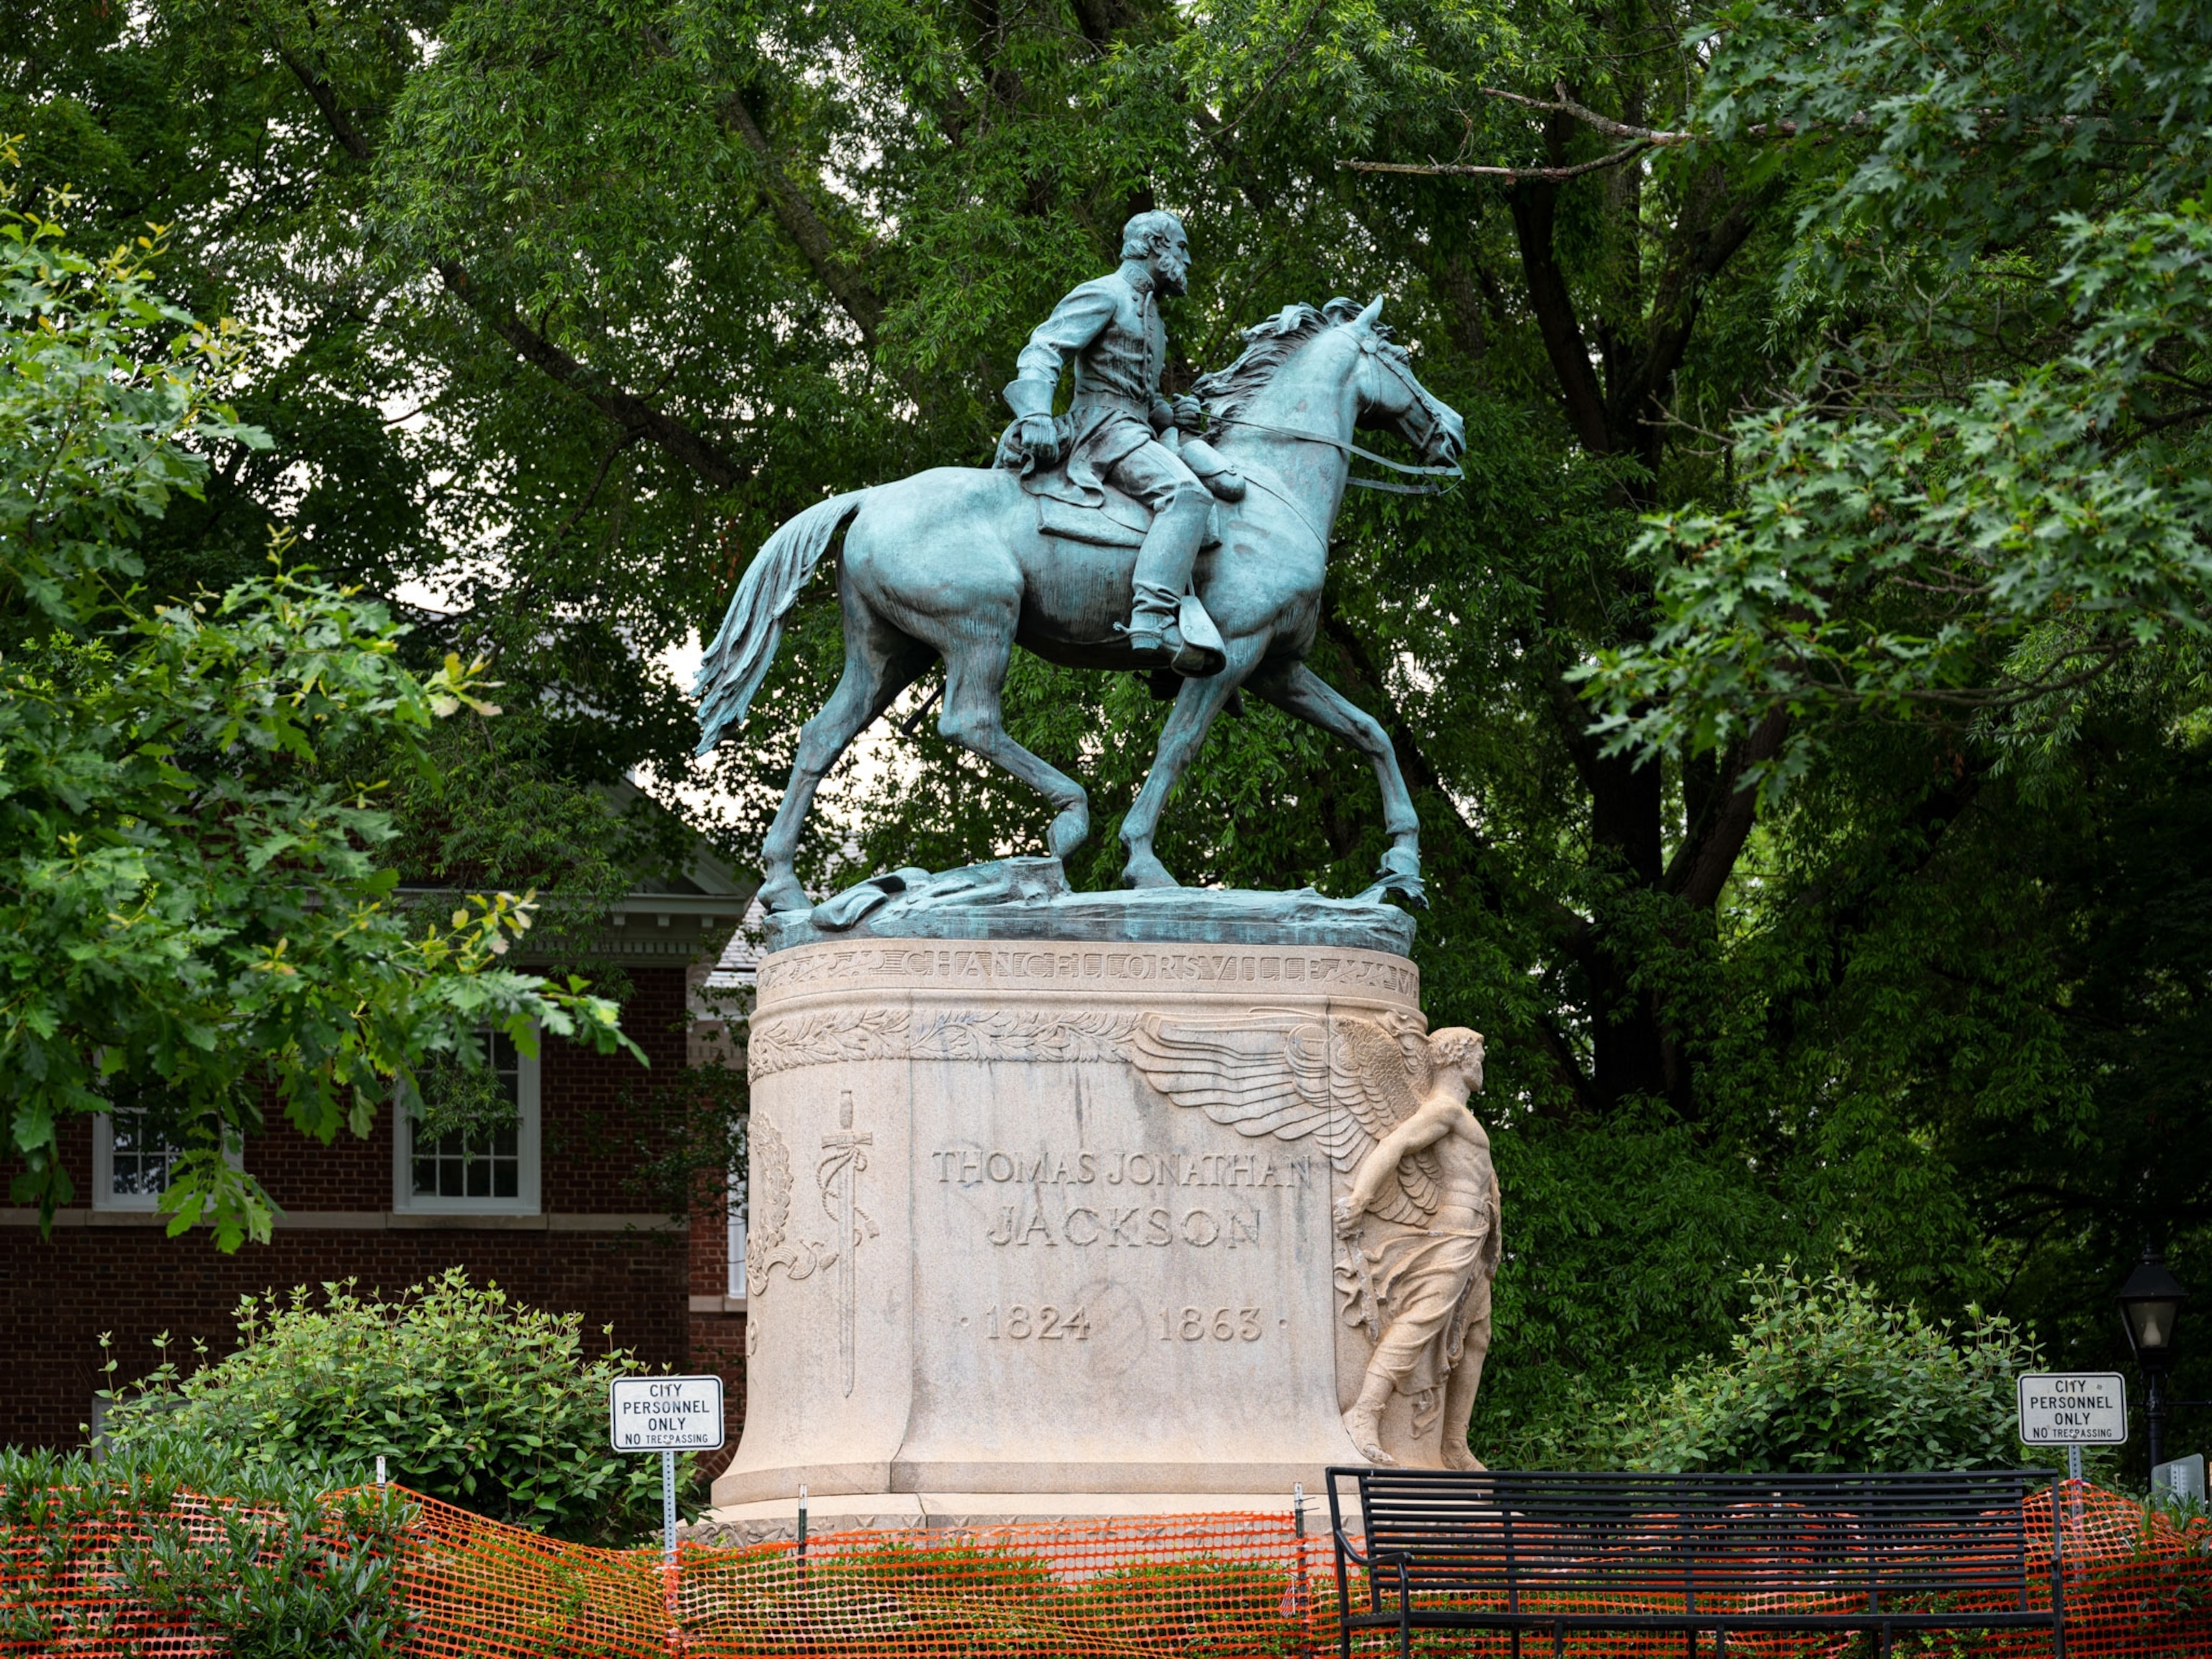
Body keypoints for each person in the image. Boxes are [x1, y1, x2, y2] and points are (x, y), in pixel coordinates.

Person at [1003, 209, 1242, 676]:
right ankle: (1152, 620)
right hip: (1104, 431)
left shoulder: (1153, 316)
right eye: (1181, 248)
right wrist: (1034, 413)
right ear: (1155, 245)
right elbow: (1045, 347)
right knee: (1187, 495)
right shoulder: (1106, 293)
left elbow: (1138, 392)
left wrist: (1171, 412)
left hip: (1133, 426)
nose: (1187, 261)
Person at [1334, 1027, 1501, 1468]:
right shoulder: (1444, 1110)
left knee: (1478, 1334)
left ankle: (1453, 1445)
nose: (1481, 1066)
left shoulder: (1463, 1116)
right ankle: (1364, 1413)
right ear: (1459, 1060)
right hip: (1454, 1231)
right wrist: (1360, 1199)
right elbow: (1396, 1143)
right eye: (1478, 1057)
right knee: (1422, 1318)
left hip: (1476, 1239)